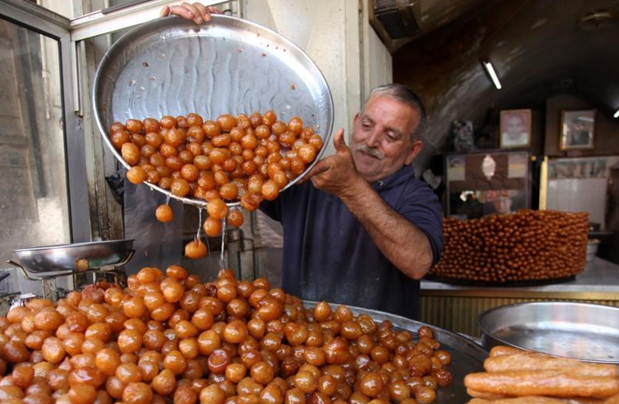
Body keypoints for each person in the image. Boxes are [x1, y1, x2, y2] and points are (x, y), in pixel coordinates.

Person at [162, 4, 444, 319]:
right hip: (304, 346)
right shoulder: (309, 179)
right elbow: (225, 167)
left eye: (390, 135)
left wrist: (351, 189)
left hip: (379, 351)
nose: (372, 140)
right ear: (355, 121)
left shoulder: (416, 197)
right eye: (367, 125)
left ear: (413, 150)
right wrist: (188, 44)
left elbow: (418, 262)